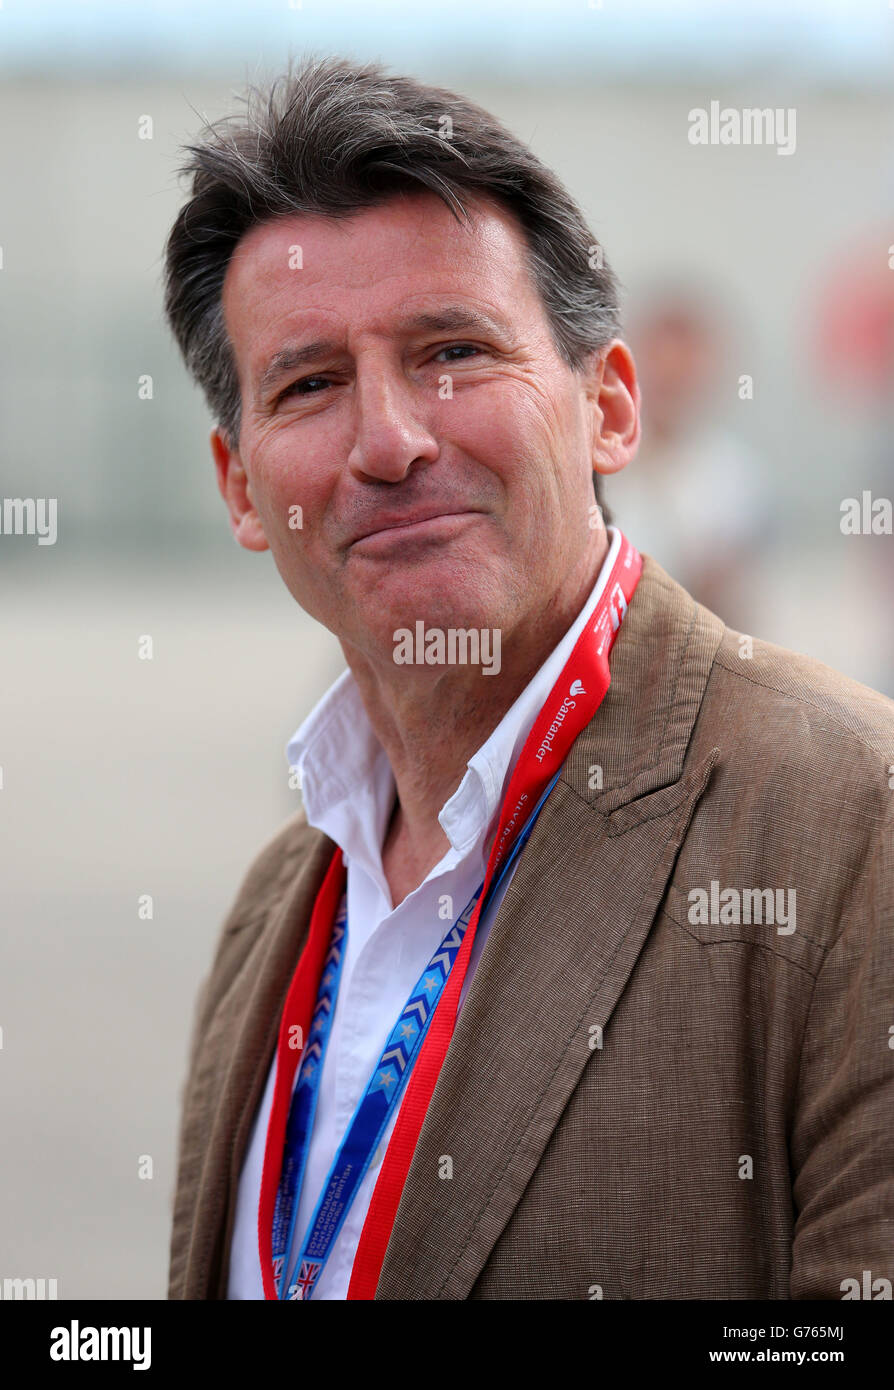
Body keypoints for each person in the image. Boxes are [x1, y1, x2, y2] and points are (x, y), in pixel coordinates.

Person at [163, 56, 894, 1301]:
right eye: (311, 384)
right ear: (242, 486)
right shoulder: (277, 902)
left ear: (610, 407)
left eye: (453, 350)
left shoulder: (848, 824)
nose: (391, 439)